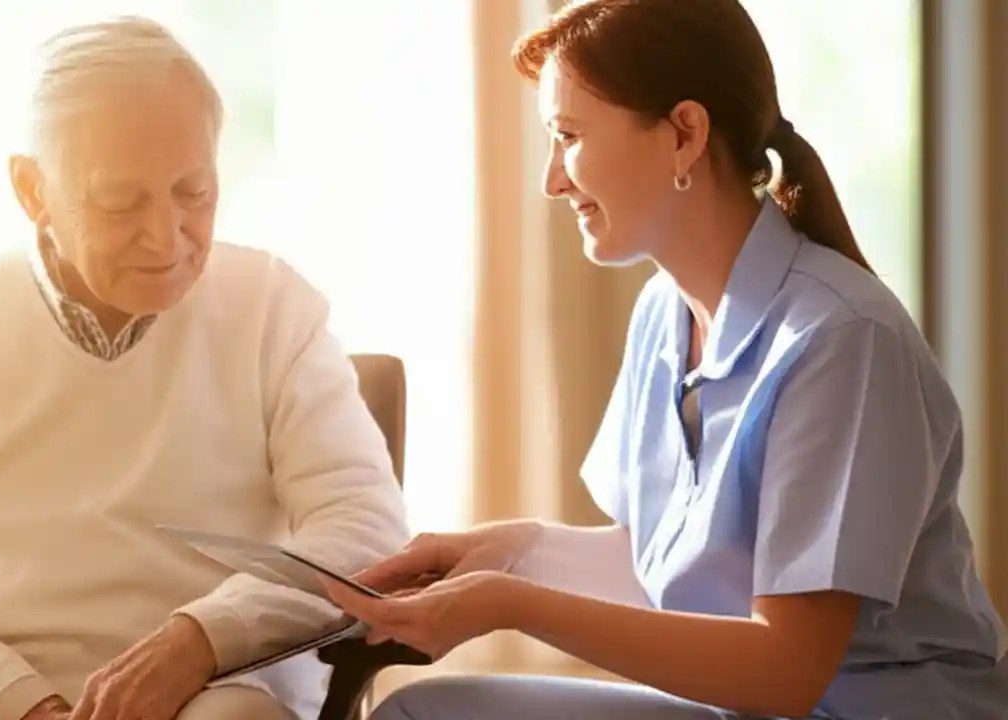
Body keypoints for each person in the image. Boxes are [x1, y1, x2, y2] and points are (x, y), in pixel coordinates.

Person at [323, 1, 1008, 718]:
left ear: (685, 134)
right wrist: (505, 551)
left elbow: (788, 669)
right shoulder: (663, 314)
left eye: (569, 136)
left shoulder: (841, 338)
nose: (552, 180)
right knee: (429, 712)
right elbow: (680, 570)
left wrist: (510, 603)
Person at [0, 16, 408, 720]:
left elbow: (363, 528)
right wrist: (22, 702)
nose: (166, 237)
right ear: (33, 191)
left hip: (215, 689)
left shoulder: (274, 309)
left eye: (194, 192)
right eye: (121, 201)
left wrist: (201, 640)